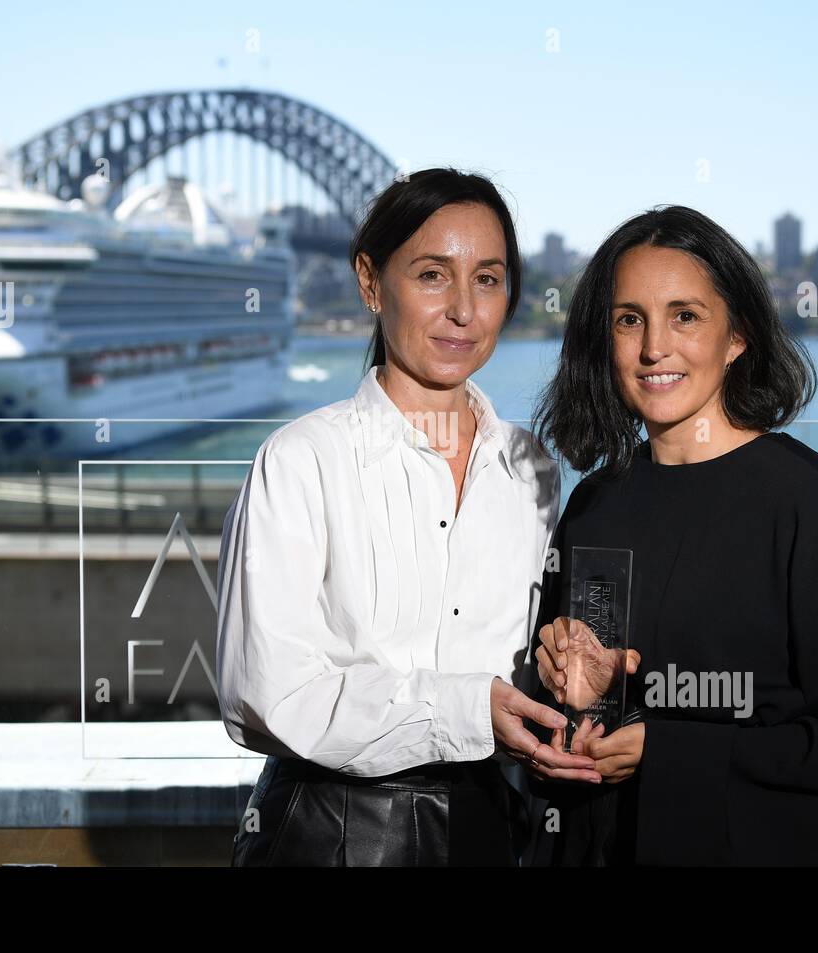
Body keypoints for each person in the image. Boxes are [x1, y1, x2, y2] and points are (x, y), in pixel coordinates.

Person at [524, 205, 818, 866]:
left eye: (685, 316)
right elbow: (581, 733)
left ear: (739, 335)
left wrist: (670, 753)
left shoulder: (808, 503)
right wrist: (571, 707)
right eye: (628, 319)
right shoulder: (594, 507)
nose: (653, 347)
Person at [216, 168, 594, 867]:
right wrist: (465, 710)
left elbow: (519, 671)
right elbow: (264, 697)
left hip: (497, 823)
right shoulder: (302, 461)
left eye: (487, 279)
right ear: (370, 282)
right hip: (334, 834)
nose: (464, 310)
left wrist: (571, 681)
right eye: (431, 275)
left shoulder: (530, 467)